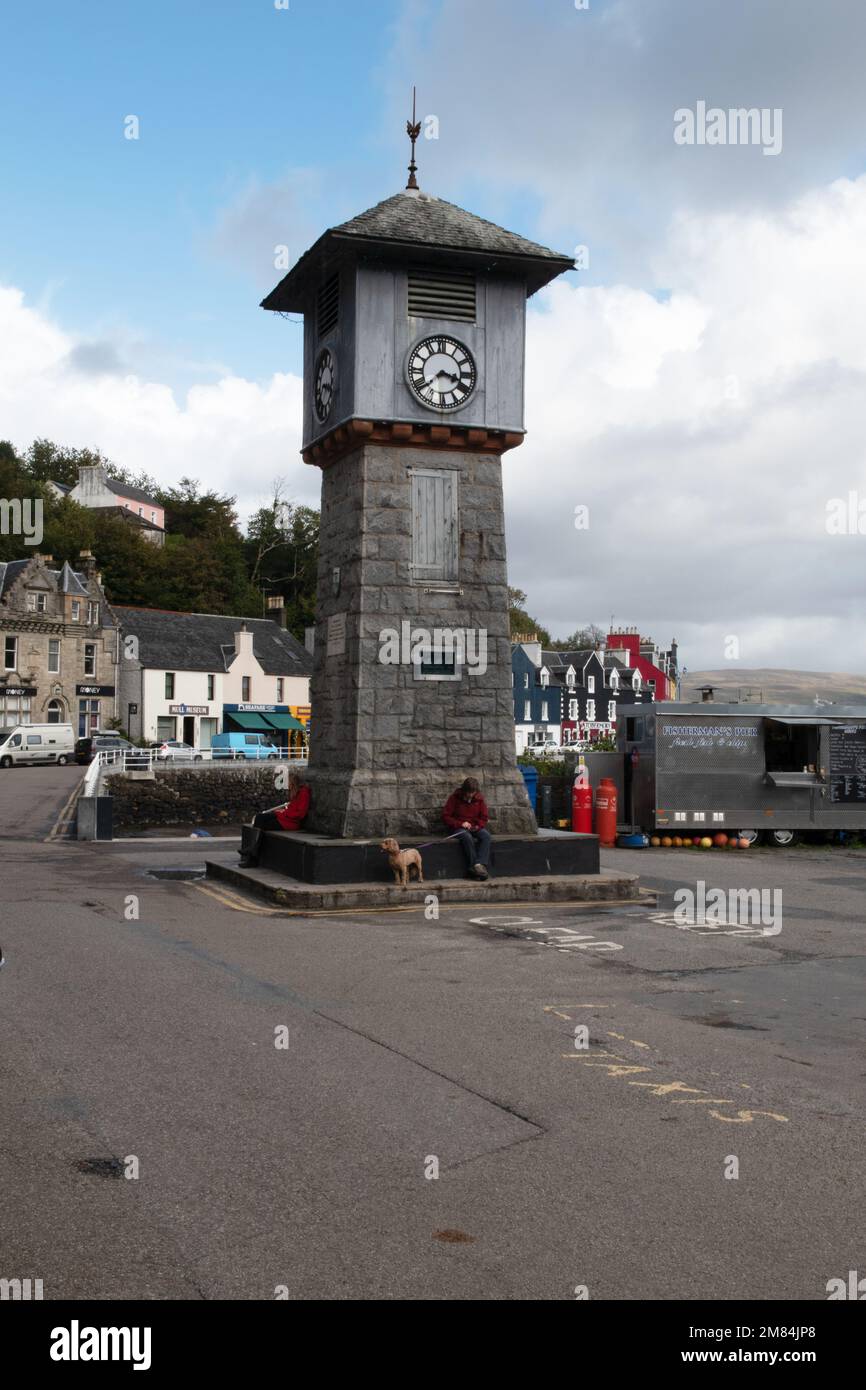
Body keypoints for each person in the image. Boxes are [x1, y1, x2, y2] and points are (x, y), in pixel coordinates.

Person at [239, 773, 310, 867]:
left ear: (292, 783)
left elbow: (300, 814)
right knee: (260, 818)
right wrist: (283, 813)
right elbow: (292, 809)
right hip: (285, 819)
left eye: (287, 782)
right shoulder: (295, 793)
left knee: (261, 824)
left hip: (290, 823)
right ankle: (253, 850)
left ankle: (252, 853)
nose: (286, 785)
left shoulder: (303, 793)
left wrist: (284, 813)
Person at [443, 777, 491, 880]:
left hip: (474, 827)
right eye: (468, 792)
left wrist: (478, 826)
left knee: (486, 836)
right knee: (467, 837)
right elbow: (446, 817)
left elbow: (484, 817)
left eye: (472, 792)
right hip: (458, 827)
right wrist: (461, 823)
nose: (470, 795)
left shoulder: (479, 799)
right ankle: (474, 866)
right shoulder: (454, 798)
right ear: (464, 790)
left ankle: (479, 864)